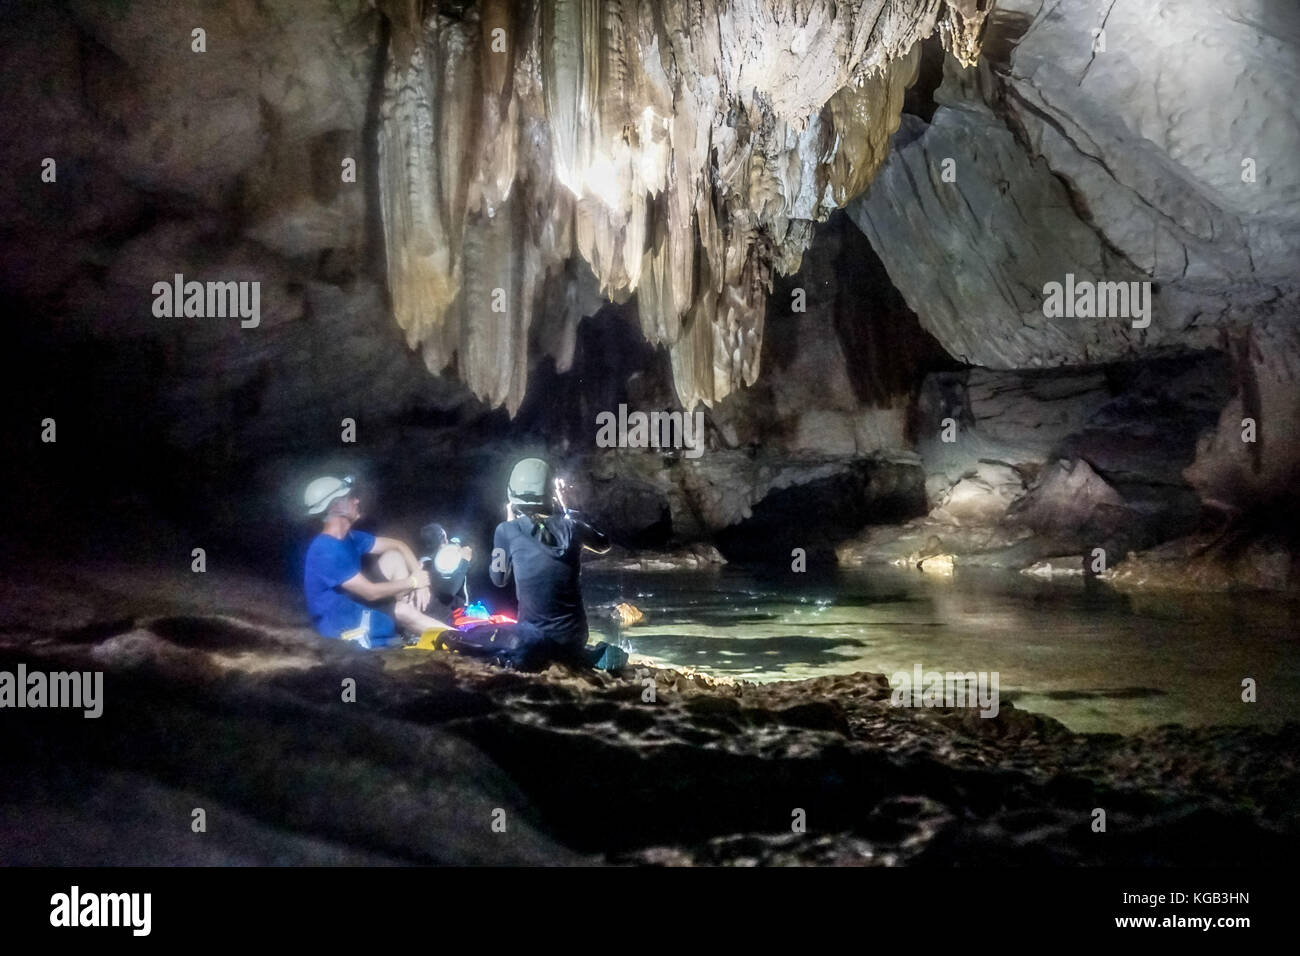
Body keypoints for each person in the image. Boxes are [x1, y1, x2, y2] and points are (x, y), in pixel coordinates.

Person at [489, 458, 623, 669]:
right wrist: (569, 511)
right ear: (549, 493)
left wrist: (508, 523)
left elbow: (498, 579)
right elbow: (604, 543)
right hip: (575, 640)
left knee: (487, 633)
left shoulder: (506, 530)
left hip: (532, 642)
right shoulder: (574, 527)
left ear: (513, 495)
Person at [301, 476, 451, 648]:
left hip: (353, 605)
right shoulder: (325, 550)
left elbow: (398, 545)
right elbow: (370, 592)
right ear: (336, 507)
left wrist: (419, 579)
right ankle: (458, 638)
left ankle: (411, 626)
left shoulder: (349, 538)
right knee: (400, 611)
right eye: (350, 498)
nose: (356, 501)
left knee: (394, 558)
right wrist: (414, 581)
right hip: (341, 624)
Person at [418, 522, 473, 622]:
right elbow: (450, 590)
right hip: (443, 620)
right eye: (445, 538)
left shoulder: (426, 563)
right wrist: (464, 560)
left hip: (441, 617)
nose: (447, 542)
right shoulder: (428, 564)